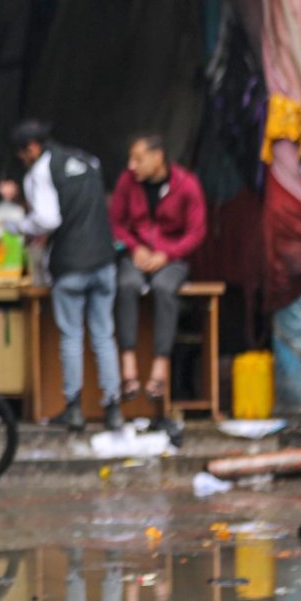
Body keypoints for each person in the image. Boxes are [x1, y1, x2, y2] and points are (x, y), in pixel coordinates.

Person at [6, 120, 120, 433]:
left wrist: (17, 226)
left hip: (70, 264)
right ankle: (113, 409)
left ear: (31, 148)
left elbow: (47, 218)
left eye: (21, 154)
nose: (22, 161)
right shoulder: (88, 160)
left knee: (72, 336)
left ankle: (74, 410)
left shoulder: (40, 171)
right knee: (103, 335)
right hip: (104, 259)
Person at [108, 134, 208, 403]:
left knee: (164, 288)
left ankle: (160, 366)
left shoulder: (187, 185)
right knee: (125, 285)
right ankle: (128, 363)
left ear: (158, 157)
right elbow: (116, 223)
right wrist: (134, 248)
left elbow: (196, 232)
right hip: (137, 254)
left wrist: (167, 254)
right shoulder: (127, 183)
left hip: (172, 258)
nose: (132, 166)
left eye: (138, 159)